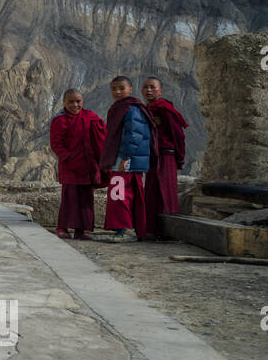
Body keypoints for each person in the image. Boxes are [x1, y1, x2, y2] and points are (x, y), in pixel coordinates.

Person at [99, 75, 158, 242]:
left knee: (120, 194)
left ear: (130, 89)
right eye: (114, 88)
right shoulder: (122, 107)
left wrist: (125, 157)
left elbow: (135, 134)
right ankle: (130, 229)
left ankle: (123, 231)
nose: (117, 92)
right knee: (127, 194)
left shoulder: (130, 109)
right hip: (126, 158)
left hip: (125, 159)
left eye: (121, 88)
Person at [49, 89, 105, 240]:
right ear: (64, 103)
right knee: (70, 198)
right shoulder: (59, 121)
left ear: (82, 101)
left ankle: (82, 230)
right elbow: (56, 144)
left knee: (86, 199)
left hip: (87, 165)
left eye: (78, 101)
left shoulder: (89, 116)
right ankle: (62, 227)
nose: (75, 105)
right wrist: (68, 157)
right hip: (70, 166)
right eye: (71, 101)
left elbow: (102, 134)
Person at [141, 77, 189, 229]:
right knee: (151, 190)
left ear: (160, 91)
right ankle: (152, 228)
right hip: (151, 155)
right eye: (146, 87)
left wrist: (180, 157)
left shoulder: (164, 109)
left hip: (166, 154)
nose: (149, 90)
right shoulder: (146, 110)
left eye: (152, 87)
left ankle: (167, 229)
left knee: (165, 190)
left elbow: (178, 134)